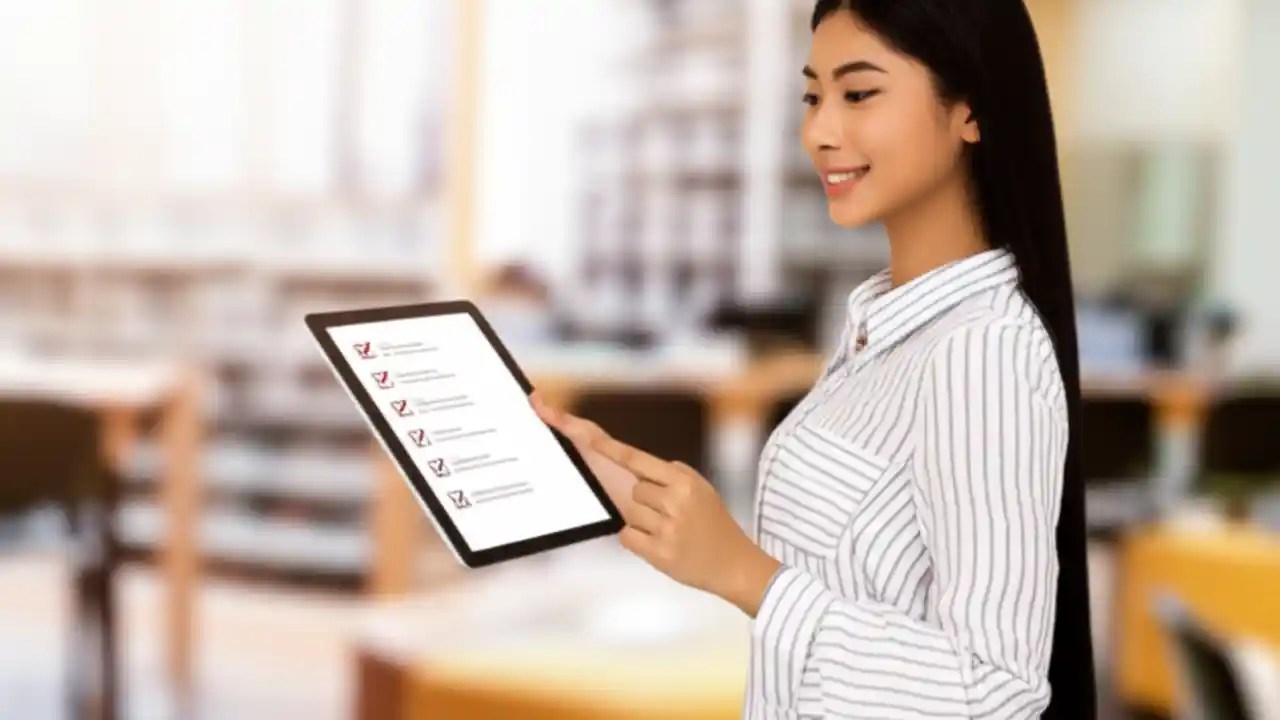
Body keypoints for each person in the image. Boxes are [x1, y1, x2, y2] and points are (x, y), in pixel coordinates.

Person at [529, 0, 1095, 716]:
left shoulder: (984, 353)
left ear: (970, 112)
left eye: (858, 94)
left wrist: (747, 575)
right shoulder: (880, 331)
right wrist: (621, 482)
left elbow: (995, 690)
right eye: (812, 96)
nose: (819, 131)